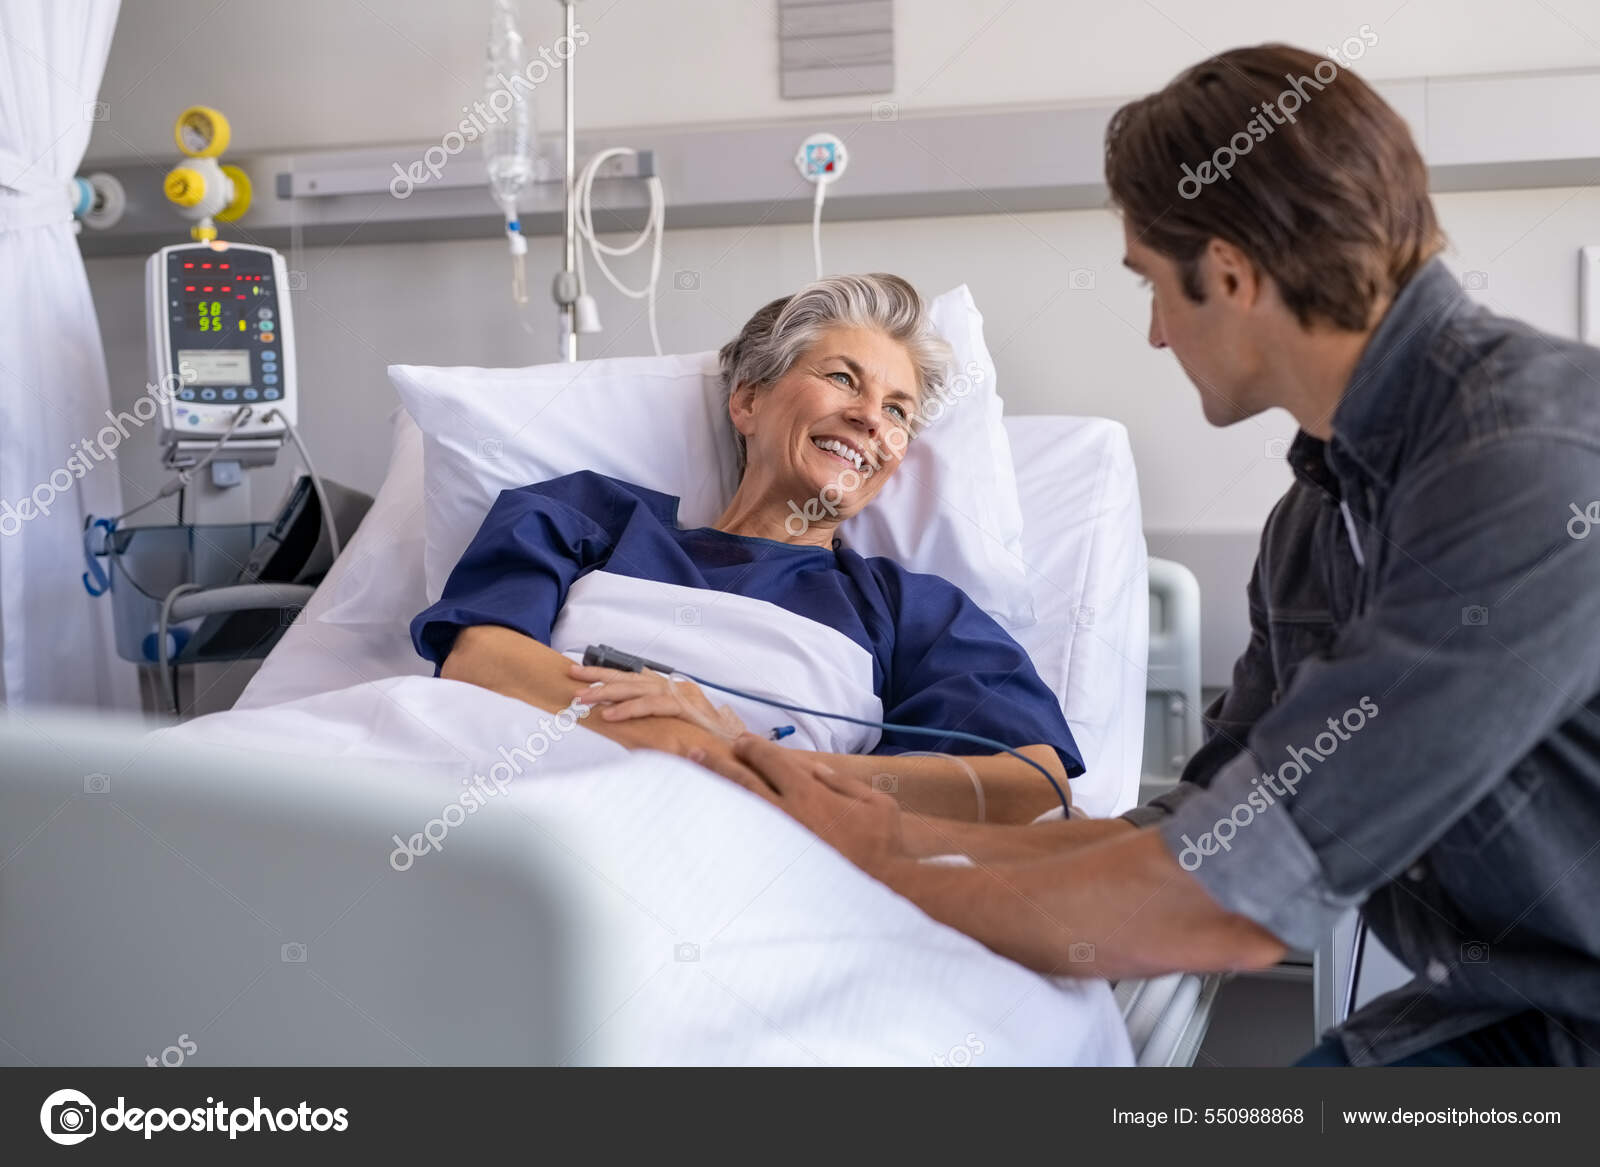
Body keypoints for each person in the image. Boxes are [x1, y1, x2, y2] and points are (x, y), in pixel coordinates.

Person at [692, 45, 1600, 1066]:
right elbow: (1201, 821)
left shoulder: (1534, 464)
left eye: (1152, 288)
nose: (1158, 335)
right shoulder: (1315, 521)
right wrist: (894, 827)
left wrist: (878, 862)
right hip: (1493, 1017)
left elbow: (1225, 897)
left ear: (1227, 273)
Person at [412, 273, 1083, 823]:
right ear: (749, 402)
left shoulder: (910, 610)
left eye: (899, 411)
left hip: (728, 843)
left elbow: (1031, 780)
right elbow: (481, 658)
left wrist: (748, 756)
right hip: (488, 796)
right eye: (845, 379)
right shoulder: (593, 515)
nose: (872, 418)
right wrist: (681, 739)